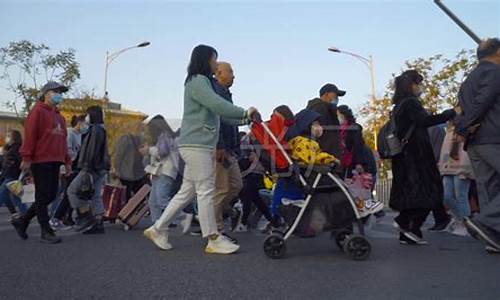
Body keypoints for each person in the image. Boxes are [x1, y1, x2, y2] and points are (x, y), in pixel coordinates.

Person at [143, 44, 258, 255]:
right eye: (214, 59)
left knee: (186, 192)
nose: (216, 63)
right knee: (206, 191)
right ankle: (213, 238)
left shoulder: (201, 83)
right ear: (205, 60)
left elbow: (220, 114)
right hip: (198, 145)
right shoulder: (198, 81)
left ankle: (158, 228)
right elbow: (217, 105)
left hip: (195, 144)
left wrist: (244, 117)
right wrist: (245, 111)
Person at [389, 70, 456, 245]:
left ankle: (410, 232)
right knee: (428, 193)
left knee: (413, 195)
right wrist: (450, 113)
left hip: (405, 156)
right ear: (411, 85)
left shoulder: (398, 105)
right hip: (416, 155)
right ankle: (405, 222)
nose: (420, 87)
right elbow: (424, 121)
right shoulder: (411, 103)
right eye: (418, 83)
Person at [11, 81, 72, 244]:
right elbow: (30, 135)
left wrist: (67, 161)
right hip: (41, 159)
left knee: (51, 194)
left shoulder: (60, 117)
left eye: (61, 92)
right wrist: (26, 157)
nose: (59, 94)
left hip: (56, 160)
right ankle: (46, 230)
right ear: (46, 93)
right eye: (56, 91)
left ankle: (22, 221)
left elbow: (63, 140)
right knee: (42, 194)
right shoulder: (37, 111)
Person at [454, 38, 500, 252]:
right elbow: (484, 101)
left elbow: (462, 109)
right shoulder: (494, 72)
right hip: (493, 136)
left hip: (476, 141)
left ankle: (493, 237)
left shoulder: (468, 79)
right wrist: (465, 126)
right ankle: (485, 221)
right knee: (489, 186)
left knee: (488, 187)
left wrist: (463, 127)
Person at [212, 62, 245, 241]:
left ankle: (210, 215)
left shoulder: (226, 94)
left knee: (236, 185)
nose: (234, 75)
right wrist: (219, 145)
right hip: (220, 148)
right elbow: (216, 120)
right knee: (222, 188)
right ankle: (216, 230)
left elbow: (230, 122)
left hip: (230, 149)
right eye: (230, 71)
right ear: (218, 73)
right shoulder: (215, 93)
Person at [67, 106, 111, 233]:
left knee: (72, 191)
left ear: (92, 115)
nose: (85, 117)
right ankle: (98, 223)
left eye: (87, 115)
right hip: (100, 167)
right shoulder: (101, 129)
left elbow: (91, 151)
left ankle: (85, 216)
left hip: (91, 167)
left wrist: (86, 168)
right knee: (96, 195)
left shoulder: (95, 130)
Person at [50, 114, 88, 230]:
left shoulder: (80, 135)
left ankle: (66, 217)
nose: (86, 126)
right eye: (85, 123)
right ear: (79, 122)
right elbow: (68, 151)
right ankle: (55, 217)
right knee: (68, 194)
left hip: (76, 167)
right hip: (68, 167)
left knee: (72, 193)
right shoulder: (69, 133)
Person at [438, 122, 474, 236]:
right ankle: (461, 220)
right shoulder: (449, 131)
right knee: (446, 197)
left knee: (461, 196)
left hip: (462, 166)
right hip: (448, 166)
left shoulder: (466, 127)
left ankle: (466, 225)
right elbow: (444, 149)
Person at [144, 115, 180, 223]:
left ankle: (181, 218)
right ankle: (157, 224)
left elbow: (163, 152)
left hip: (165, 171)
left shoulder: (165, 136)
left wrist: (149, 150)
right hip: (159, 172)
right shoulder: (166, 136)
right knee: (153, 201)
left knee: (161, 200)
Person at [306, 83, 346, 158]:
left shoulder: (324, 108)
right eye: (335, 95)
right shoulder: (320, 108)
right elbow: (323, 134)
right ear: (326, 94)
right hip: (326, 157)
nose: (337, 98)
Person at [427, 125, 453, 231]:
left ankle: (443, 218)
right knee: (434, 194)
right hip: (434, 163)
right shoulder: (434, 129)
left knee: (435, 194)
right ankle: (441, 218)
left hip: (434, 164)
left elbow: (435, 149)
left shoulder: (432, 129)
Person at [0, 130, 27, 216]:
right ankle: (25, 215)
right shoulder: (17, 147)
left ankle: (25, 215)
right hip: (15, 176)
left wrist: (2, 176)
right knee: (17, 198)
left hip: (10, 176)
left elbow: (11, 164)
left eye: (9, 136)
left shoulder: (14, 148)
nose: (7, 138)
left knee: (1, 195)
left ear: (14, 138)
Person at [114, 133, 148, 200]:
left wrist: (117, 168)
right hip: (137, 170)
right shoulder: (138, 138)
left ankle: (129, 208)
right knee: (138, 192)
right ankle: (139, 207)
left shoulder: (124, 139)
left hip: (127, 171)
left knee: (127, 193)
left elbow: (119, 155)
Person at [336, 105, 366, 178]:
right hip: (342, 163)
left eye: (338, 115)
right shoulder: (339, 130)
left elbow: (358, 145)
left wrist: (359, 163)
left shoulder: (354, 128)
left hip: (352, 162)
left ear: (344, 115)